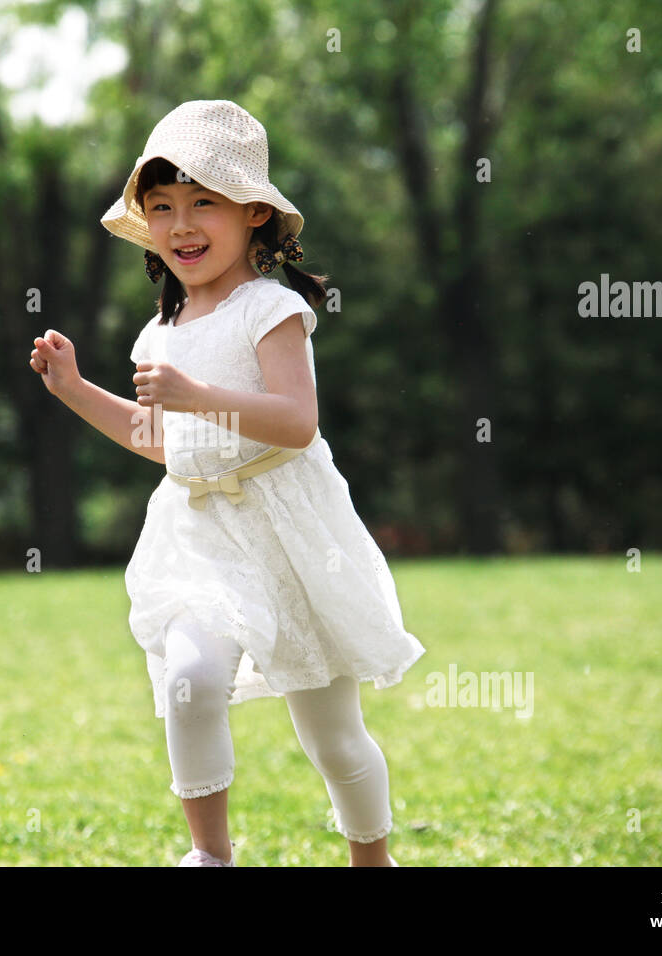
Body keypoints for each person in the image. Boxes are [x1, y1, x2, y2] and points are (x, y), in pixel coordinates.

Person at [29, 100, 425, 867]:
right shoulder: (161, 332)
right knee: (191, 675)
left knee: (333, 737)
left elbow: (296, 422)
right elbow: (165, 441)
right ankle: (211, 855)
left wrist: (196, 395)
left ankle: (373, 861)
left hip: (291, 528)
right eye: (163, 206)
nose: (181, 224)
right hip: (199, 532)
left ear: (251, 214)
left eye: (203, 202)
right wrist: (76, 390)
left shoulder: (270, 311)